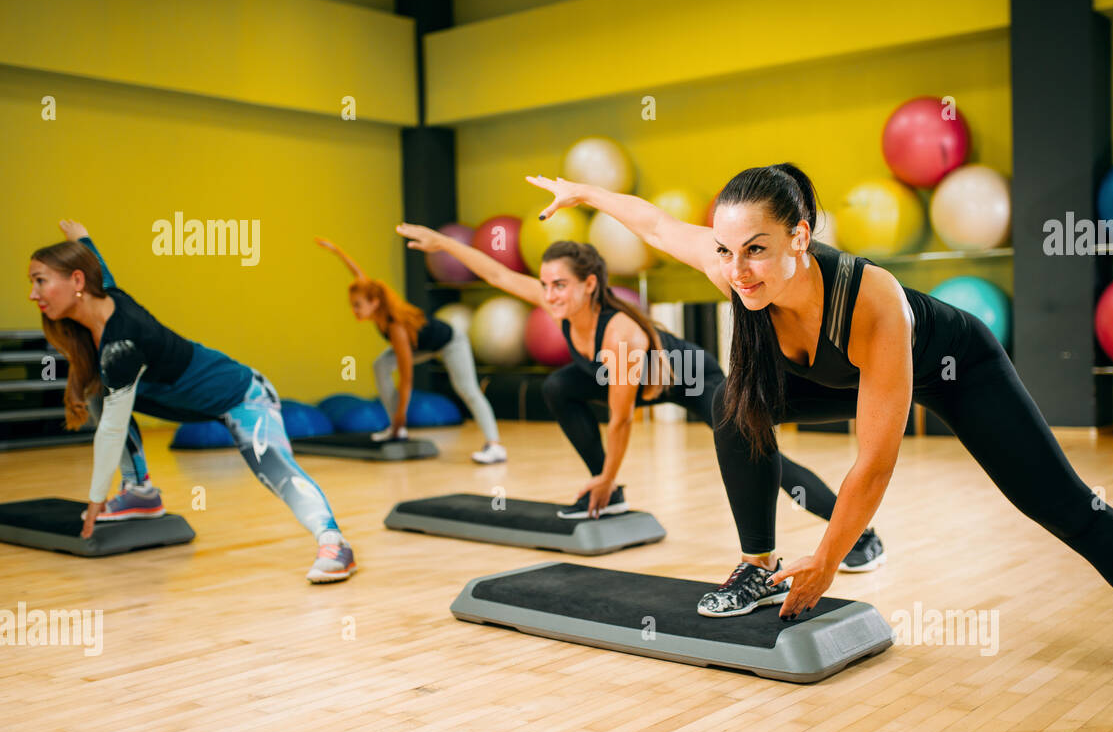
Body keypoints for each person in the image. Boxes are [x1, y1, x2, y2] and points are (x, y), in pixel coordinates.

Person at [526, 164, 1113, 730]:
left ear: (800, 234)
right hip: (839, 374)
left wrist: (826, 558)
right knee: (733, 402)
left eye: (757, 247)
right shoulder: (734, 269)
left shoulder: (869, 296)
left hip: (956, 369)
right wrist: (584, 192)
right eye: (728, 250)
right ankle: (756, 564)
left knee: (1066, 507)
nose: (740, 268)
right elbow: (655, 224)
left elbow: (876, 459)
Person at [395, 222, 886, 574]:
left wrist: (608, 477)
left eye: (560, 285)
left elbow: (622, 419)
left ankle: (859, 535)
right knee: (559, 385)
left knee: (760, 457)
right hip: (635, 381)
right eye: (545, 285)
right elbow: (499, 276)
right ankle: (609, 495)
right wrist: (441, 243)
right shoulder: (562, 305)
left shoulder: (621, 336)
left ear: (589, 285)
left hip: (692, 378)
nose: (550, 295)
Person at [29, 219, 357, 583]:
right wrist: (80, 235)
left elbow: (112, 430)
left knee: (273, 467)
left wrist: (94, 501)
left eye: (40, 280)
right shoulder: (104, 293)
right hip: (185, 401)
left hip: (243, 396)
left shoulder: (122, 342)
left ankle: (334, 543)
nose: (33, 293)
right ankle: (140, 493)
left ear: (76, 282)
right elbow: (96, 262)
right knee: (97, 392)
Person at [314, 237, 505, 463]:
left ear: (373, 302)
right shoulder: (376, 306)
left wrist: (400, 417)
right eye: (352, 305)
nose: (354, 310)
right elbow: (358, 274)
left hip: (450, 342)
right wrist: (337, 251)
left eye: (357, 305)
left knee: (467, 389)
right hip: (422, 346)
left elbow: (406, 378)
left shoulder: (396, 326)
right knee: (381, 365)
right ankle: (396, 429)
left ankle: (495, 446)